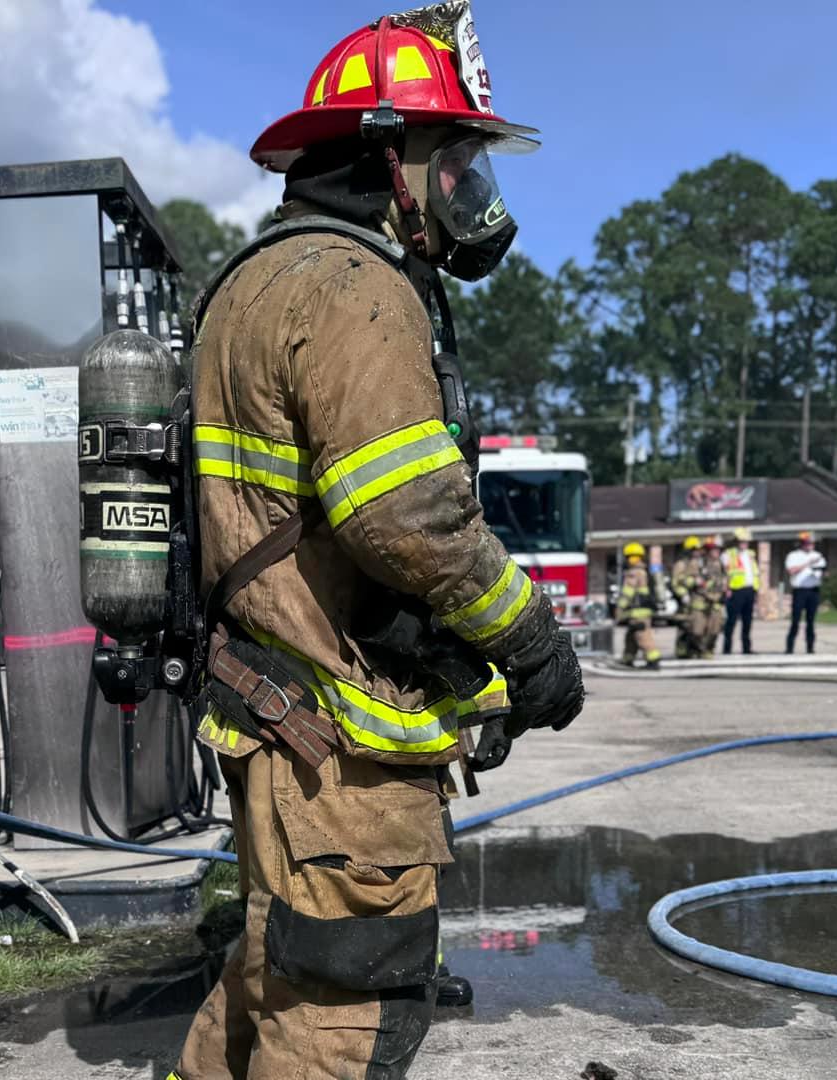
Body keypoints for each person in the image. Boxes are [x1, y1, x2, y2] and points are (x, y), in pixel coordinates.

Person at [173, 6, 586, 1077]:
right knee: (343, 1013)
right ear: (384, 159)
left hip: (276, 715)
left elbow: (332, 554)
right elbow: (405, 522)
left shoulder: (259, 278)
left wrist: (470, 686)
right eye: (453, 165)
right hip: (334, 752)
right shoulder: (356, 289)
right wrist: (530, 641)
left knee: (275, 967)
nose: (470, 198)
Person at [617, 542, 662, 670]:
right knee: (631, 635)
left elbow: (628, 593)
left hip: (638, 612)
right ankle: (628, 659)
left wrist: (619, 609)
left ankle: (653, 659)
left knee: (642, 636)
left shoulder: (634, 573)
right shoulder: (644, 571)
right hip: (642, 610)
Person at [784, 530, 827, 655]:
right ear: (802, 544)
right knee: (796, 620)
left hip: (813, 589)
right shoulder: (793, 555)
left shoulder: (818, 555)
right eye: (807, 544)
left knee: (811, 621)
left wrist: (822, 572)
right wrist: (808, 564)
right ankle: (789, 647)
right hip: (799, 590)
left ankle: (810, 647)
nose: (810, 546)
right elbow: (791, 571)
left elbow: (823, 570)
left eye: (812, 544)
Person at [721, 526, 761, 655]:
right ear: (736, 541)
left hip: (749, 590)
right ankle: (727, 648)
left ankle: (746, 648)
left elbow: (754, 573)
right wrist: (726, 588)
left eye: (746, 542)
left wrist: (756, 590)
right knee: (731, 621)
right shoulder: (728, 554)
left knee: (747, 621)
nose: (744, 544)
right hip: (735, 591)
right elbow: (725, 573)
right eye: (742, 541)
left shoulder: (751, 554)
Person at [669, 536, 708, 659]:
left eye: (698, 549)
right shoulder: (681, 564)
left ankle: (693, 650)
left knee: (696, 628)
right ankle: (681, 652)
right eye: (695, 549)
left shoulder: (700, 563)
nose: (698, 552)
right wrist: (684, 594)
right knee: (684, 627)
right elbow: (676, 583)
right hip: (685, 601)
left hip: (697, 599)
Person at [698, 535, 728, 658]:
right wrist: (709, 596)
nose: (716, 552)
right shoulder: (702, 564)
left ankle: (709, 649)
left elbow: (724, 580)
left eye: (718, 549)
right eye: (713, 550)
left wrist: (724, 592)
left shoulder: (720, 564)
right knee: (699, 629)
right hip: (704, 601)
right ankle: (700, 650)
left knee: (715, 629)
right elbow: (700, 583)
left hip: (718, 602)